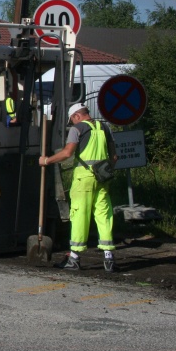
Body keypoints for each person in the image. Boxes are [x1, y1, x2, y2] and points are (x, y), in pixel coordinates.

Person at [38, 103, 118, 272]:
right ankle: (109, 257)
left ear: (76, 116)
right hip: (103, 177)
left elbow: (67, 153)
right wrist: (105, 169)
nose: (72, 124)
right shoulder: (105, 127)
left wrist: (47, 160)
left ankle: (74, 258)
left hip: (84, 178)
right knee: (104, 214)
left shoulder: (78, 129)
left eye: (72, 120)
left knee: (80, 215)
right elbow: (114, 156)